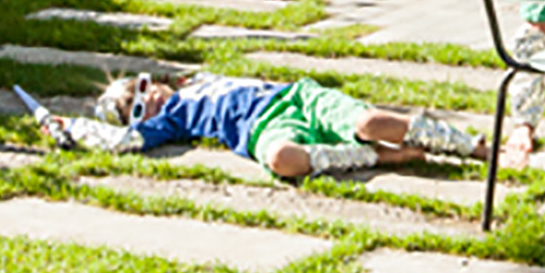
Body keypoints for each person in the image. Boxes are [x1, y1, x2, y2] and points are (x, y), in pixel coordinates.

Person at [37, 66, 505, 182]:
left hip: (297, 96)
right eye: (136, 105)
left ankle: (474, 147)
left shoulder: (194, 81)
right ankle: (382, 156)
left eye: (142, 86)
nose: (149, 97)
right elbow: (123, 142)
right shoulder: (171, 122)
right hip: (261, 129)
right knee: (285, 161)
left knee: (369, 118)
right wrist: (69, 128)